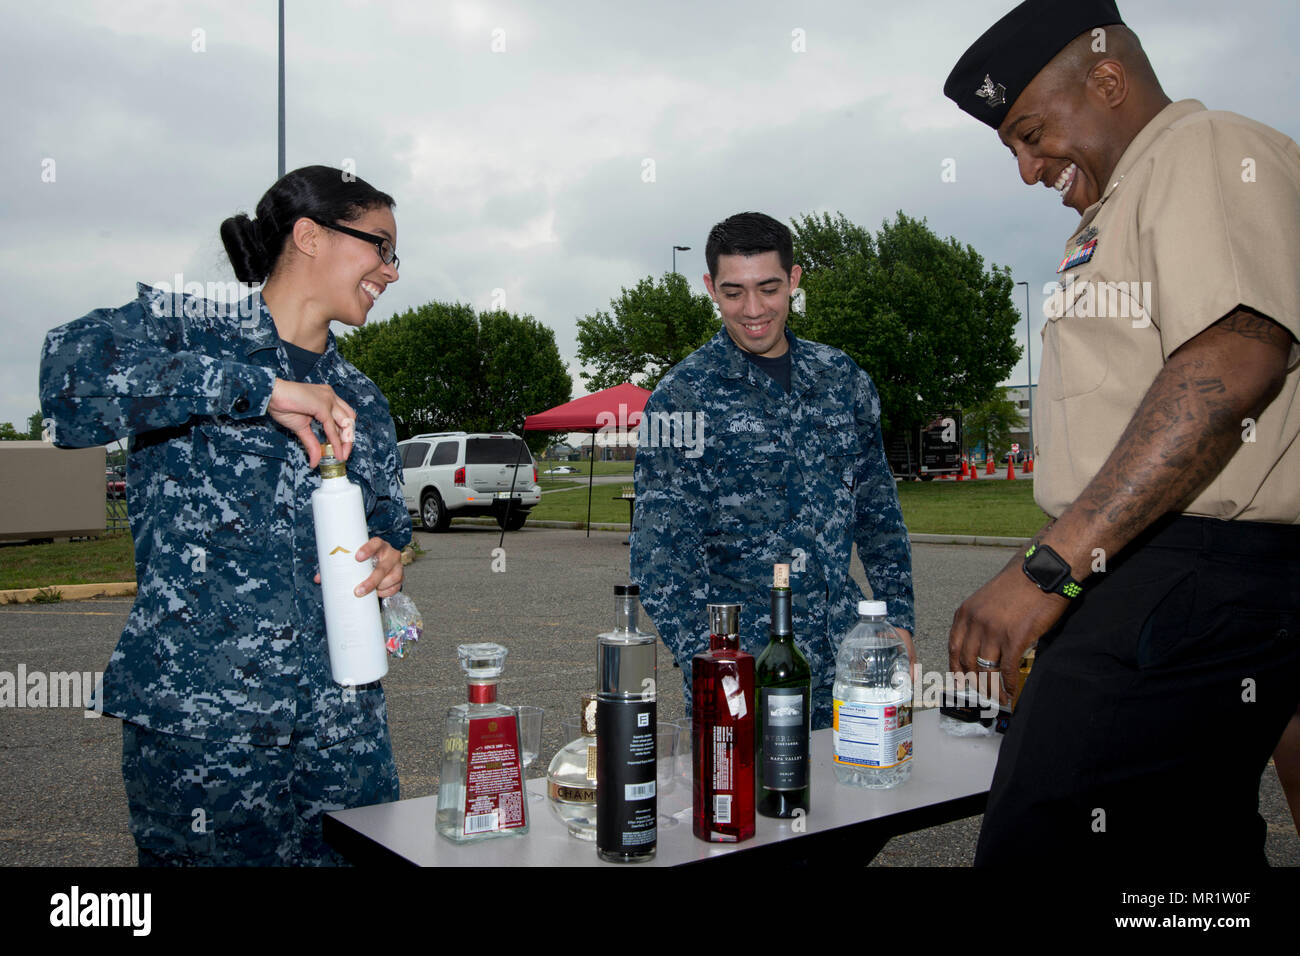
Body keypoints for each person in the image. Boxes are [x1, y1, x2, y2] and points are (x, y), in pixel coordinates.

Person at [943, 0, 1300, 865]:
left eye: (1031, 133)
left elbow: (1234, 359)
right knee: (1179, 853)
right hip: (1149, 567)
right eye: (1014, 149)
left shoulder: (1204, 150)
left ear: (1108, 79)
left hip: (1184, 571)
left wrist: (1047, 573)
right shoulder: (1126, 202)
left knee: (1046, 844)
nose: (1028, 169)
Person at [39, 165, 411, 865]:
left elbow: (390, 515)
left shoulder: (361, 393)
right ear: (310, 234)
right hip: (205, 730)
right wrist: (256, 386)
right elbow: (66, 383)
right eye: (380, 246)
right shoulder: (187, 330)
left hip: (344, 728)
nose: (391, 270)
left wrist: (392, 552)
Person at [630, 212, 914, 730]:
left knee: (863, 803)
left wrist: (899, 619)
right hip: (745, 681)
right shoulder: (681, 399)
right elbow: (661, 559)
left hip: (848, 669)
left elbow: (879, 515)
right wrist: (715, 669)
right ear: (710, 287)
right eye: (734, 292)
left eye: (769, 288)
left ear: (795, 280)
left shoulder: (841, 380)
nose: (754, 310)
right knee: (753, 812)